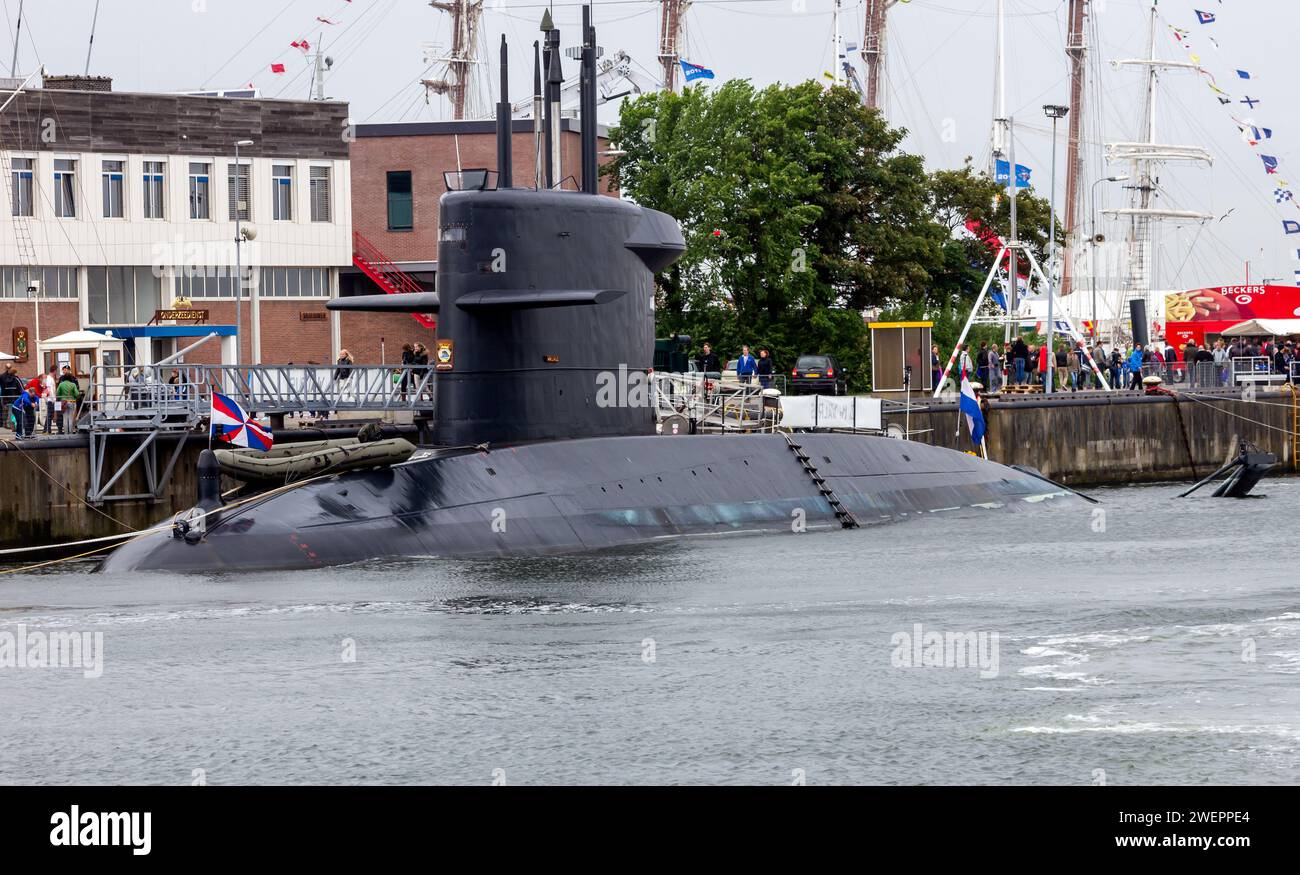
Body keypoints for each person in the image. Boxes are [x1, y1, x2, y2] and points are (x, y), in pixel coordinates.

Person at [56, 367, 79, 434]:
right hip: (72, 402)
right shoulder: (73, 384)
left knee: (65, 418)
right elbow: (77, 394)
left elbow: (57, 393)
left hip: (64, 403)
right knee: (71, 418)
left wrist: (62, 397)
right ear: (70, 378)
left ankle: (66, 433)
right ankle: (71, 432)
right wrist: (73, 396)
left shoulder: (61, 384)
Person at [41, 366, 57, 434]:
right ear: (54, 371)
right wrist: (53, 399)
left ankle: (46, 430)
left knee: (49, 415)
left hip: (49, 399)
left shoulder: (48, 378)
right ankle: (47, 430)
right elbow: (50, 390)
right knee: (50, 415)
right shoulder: (50, 379)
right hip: (51, 399)